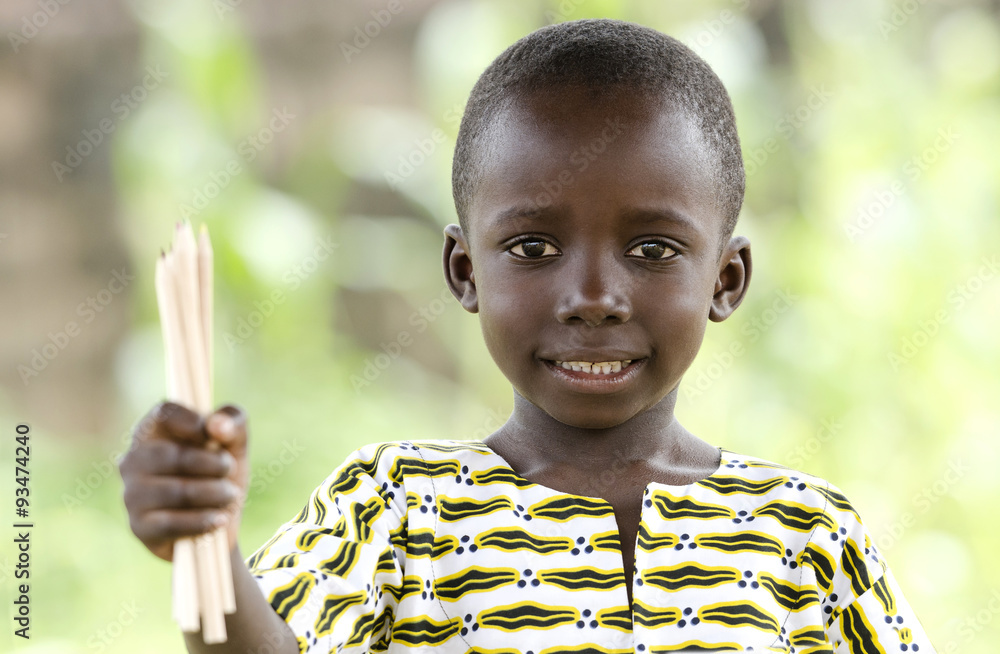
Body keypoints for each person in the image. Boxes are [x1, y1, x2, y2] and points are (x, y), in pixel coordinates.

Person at [119, 18, 937, 654]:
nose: (592, 298)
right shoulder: (394, 510)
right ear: (465, 270)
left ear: (725, 280)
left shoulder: (806, 535)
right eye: (532, 247)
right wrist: (207, 544)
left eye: (652, 249)